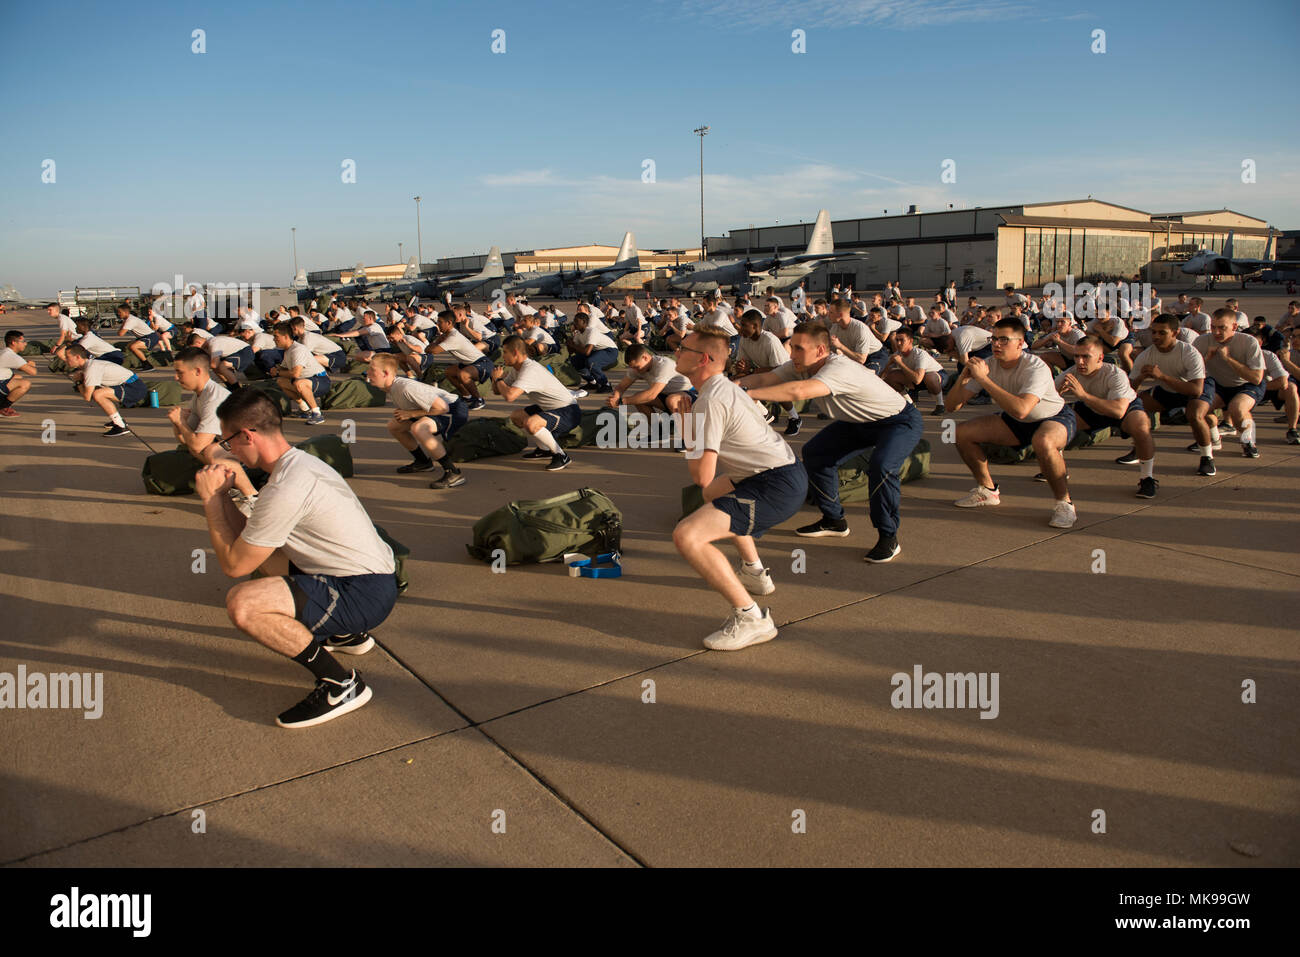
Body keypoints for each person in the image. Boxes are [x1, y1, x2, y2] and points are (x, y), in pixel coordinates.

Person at [196, 388, 396, 728]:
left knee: (244, 604)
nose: (230, 450)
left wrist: (212, 503)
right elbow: (251, 543)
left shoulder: (286, 488)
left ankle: (341, 684)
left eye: (228, 441)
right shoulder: (299, 463)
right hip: (365, 578)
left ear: (247, 434)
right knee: (267, 557)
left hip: (362, 593)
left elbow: (234, 566)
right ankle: (345, 635)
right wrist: (225, 496)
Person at [671, 325, 807, 650]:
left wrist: (684, 426)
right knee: (713, 495)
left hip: (775, 485)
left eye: (683, 349)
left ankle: (751, 618)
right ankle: (754, 571)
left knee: (687, 536)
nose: (676, 352)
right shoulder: (723, 388)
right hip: (779, 473)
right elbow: (708, 485)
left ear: (703, 359)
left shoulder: (710, 400)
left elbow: (700, 474)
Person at [743, 323, 923, 562]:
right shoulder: (800, 364)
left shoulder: (837, 369)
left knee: (882, 467)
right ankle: (834, 520)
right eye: (791, 347)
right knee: (816, 454)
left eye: (798, 348)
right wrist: (729, 385)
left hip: (899, 422)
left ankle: (889, 536)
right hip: (860, 422)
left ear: (820, 351)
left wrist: (749, 395)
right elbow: (766, 378)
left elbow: (798, 391)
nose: (792, 354)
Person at [947, 319, 1078, 528]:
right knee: (960, 433)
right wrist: (963, 377)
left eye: (1004, 340)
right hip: (1015, 420)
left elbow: (1022, 408)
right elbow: (951, 407)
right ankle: (987, 491)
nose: (996, 344)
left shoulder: (1035, 367)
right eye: (994, 339)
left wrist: (983, 380)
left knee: (1043, 441)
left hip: (1054, 418)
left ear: (1020, 343)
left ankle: (1065, 504)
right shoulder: (989, 364)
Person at [1054, 337, 1158, 498]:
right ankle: (1059, 469)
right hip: (1092, 407)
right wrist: (1055, 395)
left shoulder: (1115, 374)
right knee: (1056, 423)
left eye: (1086, 357)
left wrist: (1082, 395)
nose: (1080, 361)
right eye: (1076, 356)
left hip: (1122, 406)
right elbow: (1048, 394)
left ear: (1100, 358)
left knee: (1141, 426)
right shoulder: (1072, 372)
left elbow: (1118, 411)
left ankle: (1147, 478)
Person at [167, 347, 259, 497]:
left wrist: (180, 421)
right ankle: (234, 483)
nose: (176, 377)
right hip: (241, 446)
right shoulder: (200, 395)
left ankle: (252, 496)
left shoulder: (214, 399)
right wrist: (178, 422)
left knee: (210, 450)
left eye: (180, 372)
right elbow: (185, 440)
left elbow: (198, 444)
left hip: (257, 448)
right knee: (199, 447)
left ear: (198, 371)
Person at [367, 353, 468, 488]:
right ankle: (423, 463)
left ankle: (453, 473)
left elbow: (442, 408)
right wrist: (408, 414)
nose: (367, 374)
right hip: (434, 410)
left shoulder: (406, 387)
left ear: (385, 373)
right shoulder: (390, 387)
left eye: (371, 370)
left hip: (453, 410)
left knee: (419, 428)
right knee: (394, 426)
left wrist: (410, 414)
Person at [1120, 313, 1205, 466]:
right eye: (1153, 332)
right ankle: (1139, 448)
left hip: (1190, 391)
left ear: (1175, 333)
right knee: (1136, 408)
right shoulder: (1146, 355)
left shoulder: (1189, 353)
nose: (1156, 336)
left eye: (1162, 333)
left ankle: (1207, 456)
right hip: (1167, 391)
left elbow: (1196, 389)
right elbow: (1130, 390)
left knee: (1197, 415)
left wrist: (1162, 376)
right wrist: (1140, 378)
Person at [1187, 307, 1266, 472]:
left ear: (1234, 327)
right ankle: (1214, 439)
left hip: (1246, 384)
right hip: (1218, 384)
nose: (1216, 332)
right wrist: (1206, 359)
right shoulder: (1202, 342)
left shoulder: (1248, 342)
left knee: (1237, 409)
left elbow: (1256, 378)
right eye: (1213, 327)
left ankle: (1248, 441)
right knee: (1199, 408)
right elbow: (1190, 372)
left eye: (1222, 328)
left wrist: (1227, 358)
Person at [490, 335, 580, 471]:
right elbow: (498, 392)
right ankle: (544, 450)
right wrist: (495, 379)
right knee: (517, 416)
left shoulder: (529, 370)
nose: (503, 356)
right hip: (550, 408)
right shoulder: (516, 369)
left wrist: (498, 380)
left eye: (505, 352)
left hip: (568, 411)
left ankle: (561, 455)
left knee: (530, 423)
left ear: (515, 352)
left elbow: (509, 396)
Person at [607, 342, 696, 449]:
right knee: (638, 398)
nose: (635, 370)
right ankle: (659, 433)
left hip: (691, 396)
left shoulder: (664, 365)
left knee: (671, 400)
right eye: (633, 368)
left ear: (645, 357)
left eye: (637, 367)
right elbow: (621, 387)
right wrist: (616, 396)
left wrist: (622, 402)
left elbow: (651, 395)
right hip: (668, 396)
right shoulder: (637, 367)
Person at [63, 343, 148, 436]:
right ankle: (118, 420)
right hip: (131, 385)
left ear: (78, 357)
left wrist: (78, 382)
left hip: (134, 388)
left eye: (67, 357)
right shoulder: (90, 364)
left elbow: (87, 397)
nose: (65, 360)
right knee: (99, 391)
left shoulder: (91, 369)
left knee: (98, 394)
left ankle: (120, 426)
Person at [429, 311, 494, 410]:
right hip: (469, 363)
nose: (437, 324)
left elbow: (433, 351)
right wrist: (437, 341)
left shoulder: (453, 337)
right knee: (449, 372)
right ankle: (467, 397)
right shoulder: (448, 335)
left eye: (440, 322)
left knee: (463, 374)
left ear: (449, 323)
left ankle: (479, 400)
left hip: (483, 363)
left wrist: (437, 341)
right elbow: (427, 350)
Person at [270, 321, 328, 425]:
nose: (274, 339)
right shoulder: (288, 350)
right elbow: (283, 368)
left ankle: (317, 414)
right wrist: (275, 370)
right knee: (281, 381)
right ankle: (305, 410)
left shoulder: (297, 350)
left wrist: (277, 372)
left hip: (321, 381)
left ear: (286, 337)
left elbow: (295, 374)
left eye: (276, 336)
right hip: (308, 381)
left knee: (299, 383)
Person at [884, 328, 948, 414]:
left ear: (910, 341)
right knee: (891, 376)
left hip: (938, 376)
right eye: (897, 340)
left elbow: (917, 380)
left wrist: (900, 363)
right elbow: (883, 376)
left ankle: (940, 405)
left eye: (902, 340)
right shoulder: (897, 355)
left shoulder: (920, 354)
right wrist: (887, 366)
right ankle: (910, 404)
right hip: (918, 378)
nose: (898, 343)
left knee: (930, 376)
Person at [566, 312, 620, 393]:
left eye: (576, 321)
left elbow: (587, 352)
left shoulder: (592, 332)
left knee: (592, 362)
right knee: (575, 360)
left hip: (610, 350)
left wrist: (573, 345)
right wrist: (569, 343)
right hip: (597, 351)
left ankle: (606, 385)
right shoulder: (578, 334)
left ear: (584, 322)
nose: (574, 323)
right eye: (574, 321)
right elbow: (572, 351)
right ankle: (592, 383)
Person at [0, 330, 36, 417]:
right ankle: (3, 408)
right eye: (23, 341)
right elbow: (33, 372)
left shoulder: (4, 351)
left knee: (18, 377)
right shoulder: (11, 356)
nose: (25, 344)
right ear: (14, 343)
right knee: (25, 384)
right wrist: (31, 365)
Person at [114, 304, 161, 370]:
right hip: (144, 337)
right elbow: (119, 333)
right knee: (128, 346)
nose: (118, 314)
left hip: (151, 337)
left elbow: (121, 333)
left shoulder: (130, 320)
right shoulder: (128, 319)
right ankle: (141, 363)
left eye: (120, 312)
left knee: (133, 346)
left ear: (126, 312)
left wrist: (123, 325)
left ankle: (148, 365)